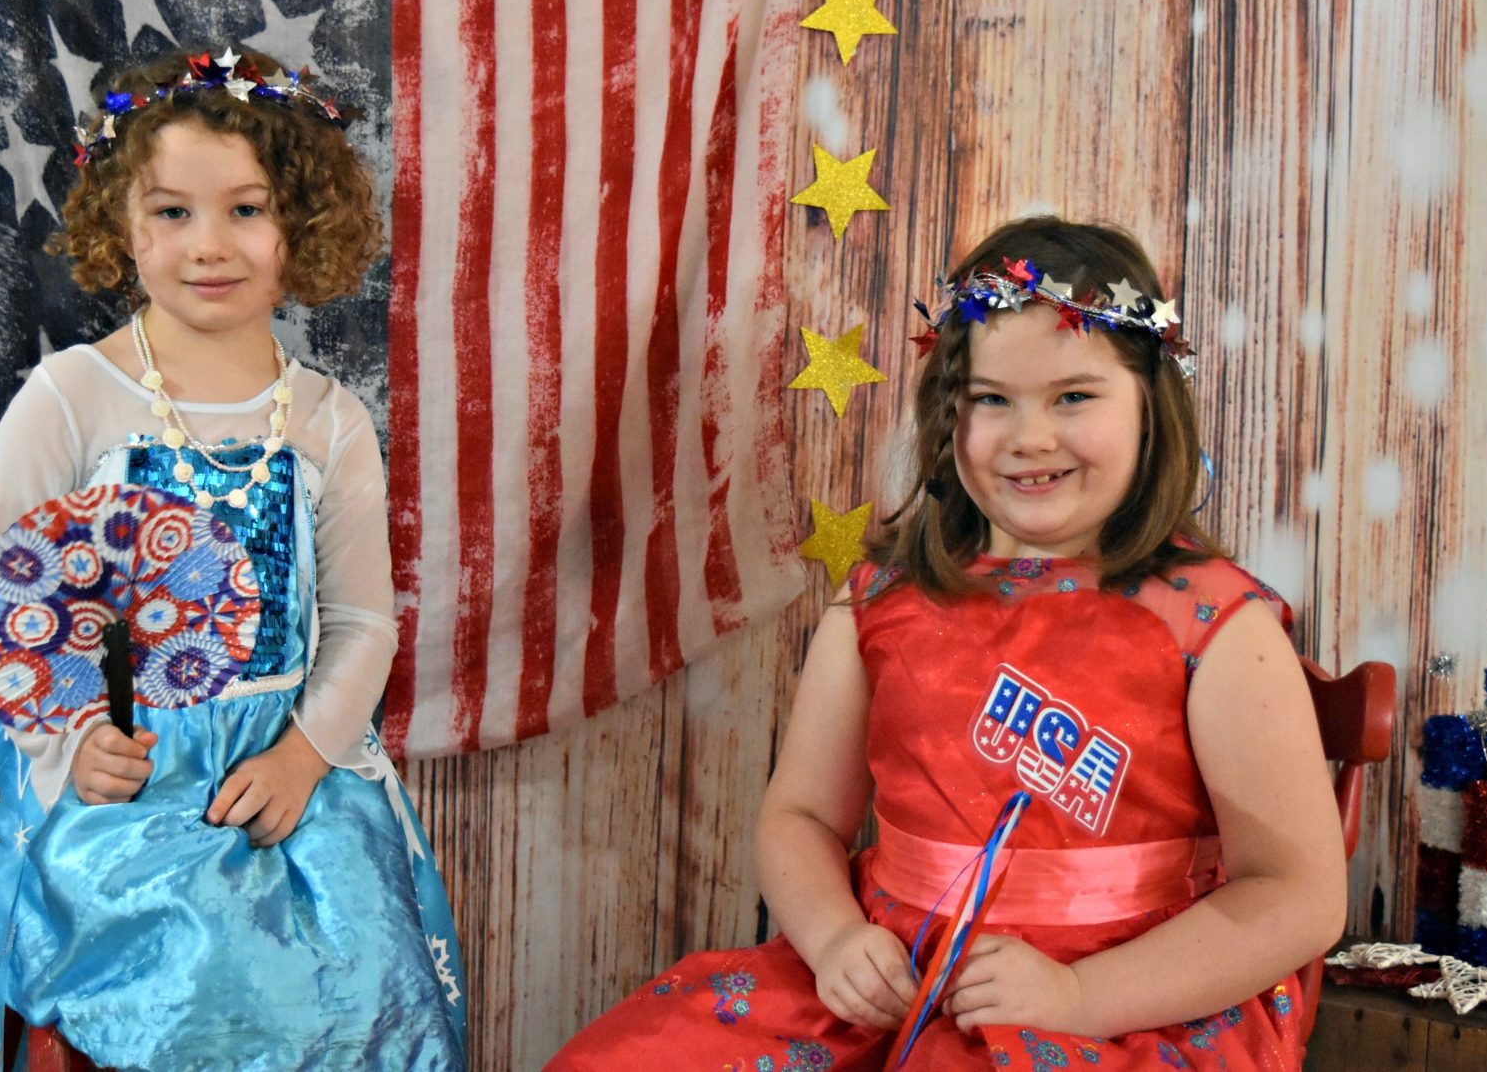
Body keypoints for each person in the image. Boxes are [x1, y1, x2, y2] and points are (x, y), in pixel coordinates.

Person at [550, 217, 1346, 1069]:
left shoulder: (1217, 627)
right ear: (947, 413)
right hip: (888, 982)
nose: (1028, 436)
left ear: (1151, 406)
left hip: (1123, 1005)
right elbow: (802, 816)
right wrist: (832, 938)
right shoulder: (883, 603)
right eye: (991, 399)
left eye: (1073, 396)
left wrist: (1080, 996)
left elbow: (1296, 896)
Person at [0, 49, 465, 1071]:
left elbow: (360, 623)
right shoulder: (73, 396)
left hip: (287, 770)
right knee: (179, 977)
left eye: (245, 210)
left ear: (300, 227)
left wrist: (303, 759)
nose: (208, 246)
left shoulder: (327, 422)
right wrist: (73, 736)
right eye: (171, 213)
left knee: (357, 966)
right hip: (120, 771)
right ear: (123, 226)